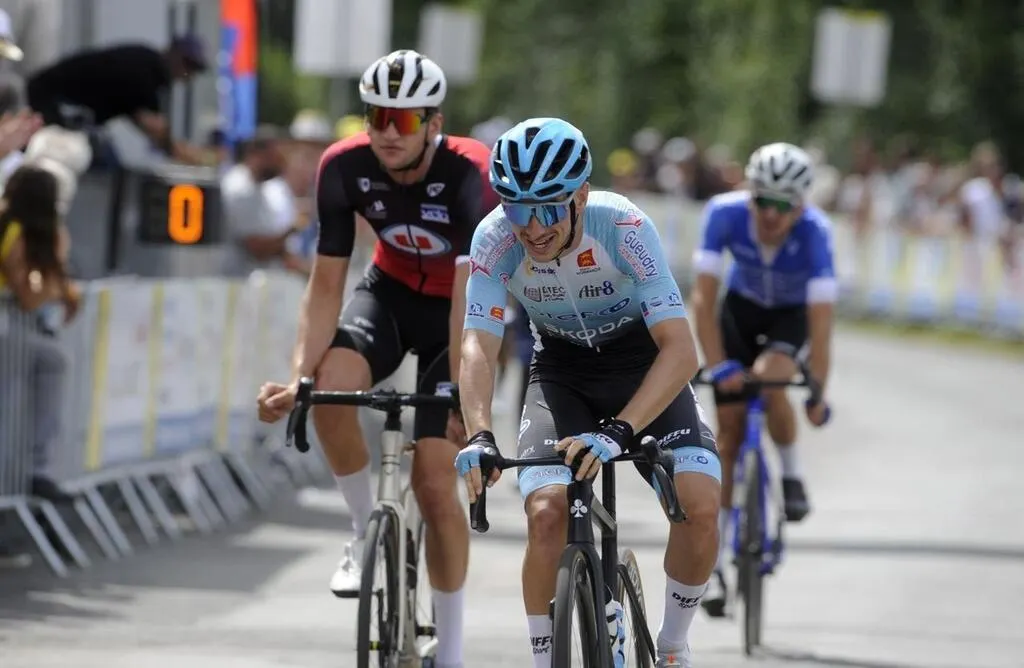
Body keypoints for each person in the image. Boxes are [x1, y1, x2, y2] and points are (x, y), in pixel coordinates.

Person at [256, 50, 494, 668]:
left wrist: (468, 408)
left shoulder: (473, 174)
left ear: (433, 123)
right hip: (387, 295)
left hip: (456, 315)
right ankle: (363, 530)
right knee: (328, 389)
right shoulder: (344, 167)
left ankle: (453, 653)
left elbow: (471, 302)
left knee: (437, 484)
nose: (388, 131)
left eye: (405, 120)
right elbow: (327, 283)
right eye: (377, 116)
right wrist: (299, 378)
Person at [455, 117, 721, 668]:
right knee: (547, 512)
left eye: (547, 208)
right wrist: (480, 431)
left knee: (699, 503)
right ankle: (543, 657)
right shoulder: (493, 238)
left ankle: (671, 646)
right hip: (562, 374)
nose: (531, 227)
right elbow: (479, 346)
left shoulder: (623, 226)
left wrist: (621, 429)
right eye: (516, 208)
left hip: (642, 366)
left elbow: (680, 350)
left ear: (580, 195)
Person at [689, 142, 834, 617]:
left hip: (790, 317)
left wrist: (817, 392)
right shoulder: (723, 214)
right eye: (762, 201)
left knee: (772, 382)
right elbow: (703, 301)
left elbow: (821, 325)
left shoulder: (816, 233)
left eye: (783, 206)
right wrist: (716, 364)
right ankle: (717, 562)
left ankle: (790, 473)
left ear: (801, 204)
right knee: (727, 432)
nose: (771, 215)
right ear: (748, 193)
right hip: (742, 312)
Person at [0, 164, 80, 501]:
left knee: (53, 361)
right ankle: (33, 470)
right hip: (7, 326)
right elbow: (30, 296)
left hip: (14, 329)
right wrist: (59, 284)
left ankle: (37, 470)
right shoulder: (13, 232)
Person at [26, 35, 212, 165]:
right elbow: (155, 129)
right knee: (100, 164)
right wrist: (194, 157)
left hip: (63, 107)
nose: (188, 76)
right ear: (174, 55)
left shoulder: (147, 62)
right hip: (51, 102)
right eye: (188, 66)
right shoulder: (146, 73)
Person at [220, 125, 290, 277]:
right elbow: (259, 249)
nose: (280, 162)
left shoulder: (259, 188)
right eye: (274, 156)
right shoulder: (240, 189)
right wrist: (293, 229)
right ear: (257, 155)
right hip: (235, 283)